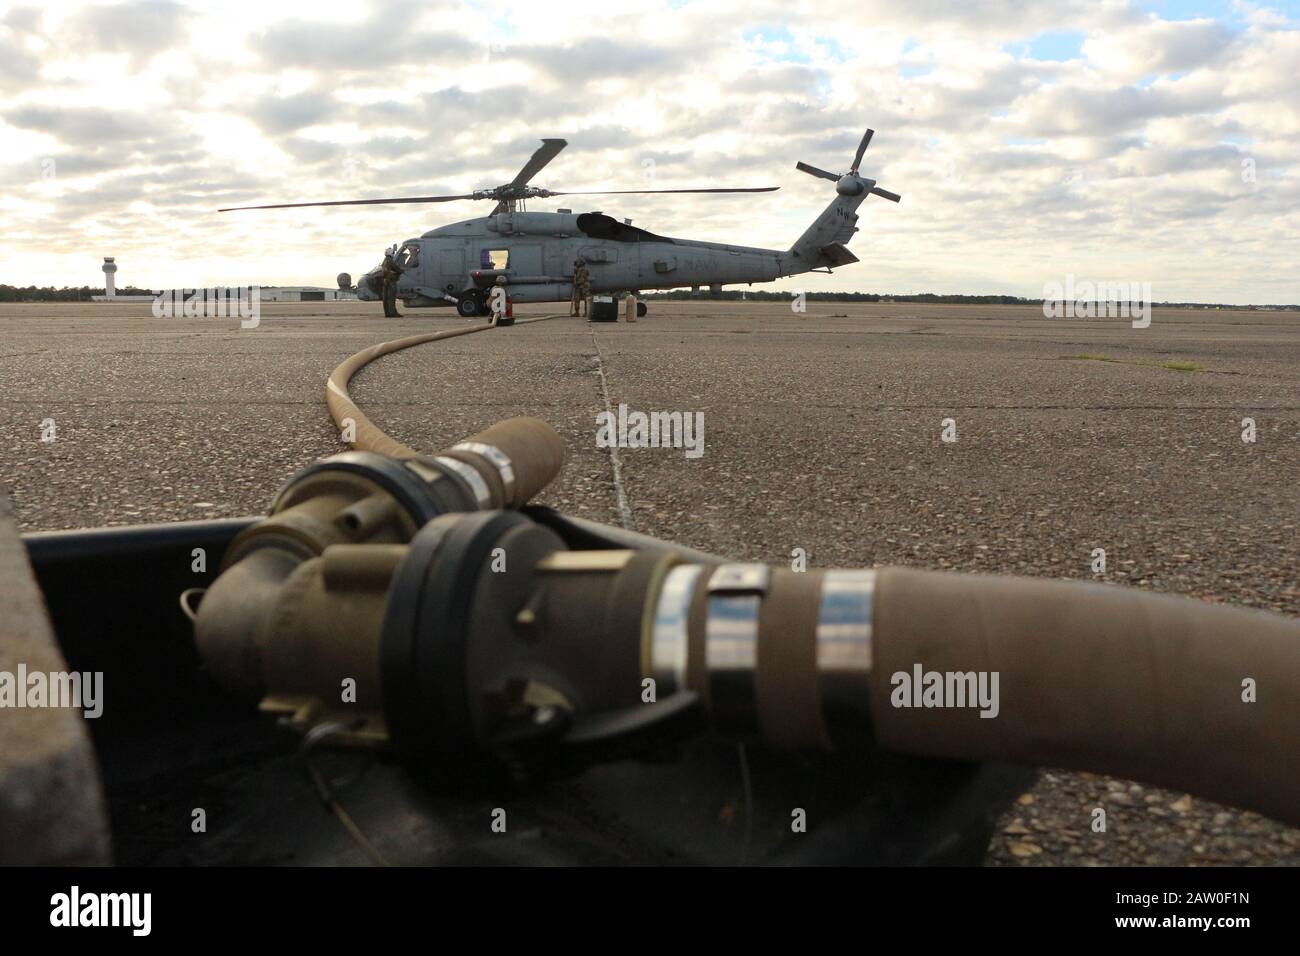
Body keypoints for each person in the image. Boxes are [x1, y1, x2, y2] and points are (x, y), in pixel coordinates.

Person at [381, 245, 403, 318]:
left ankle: (387, 313)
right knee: (391, 298)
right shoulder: (390, 260)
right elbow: (396, 268)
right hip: (391, 281)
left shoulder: (384, 260)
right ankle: (393, 313)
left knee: (386, 298)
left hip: (385, 281)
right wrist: (401, 271)